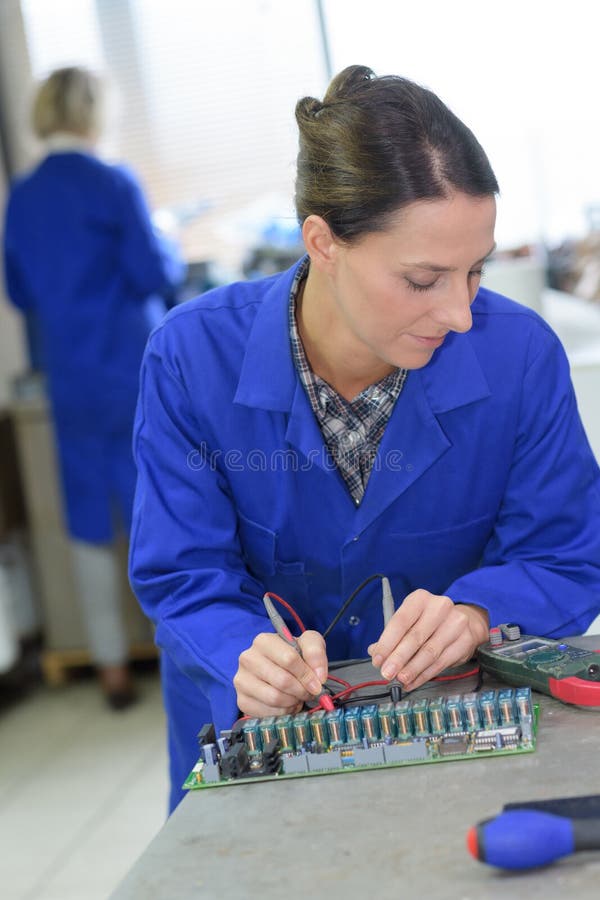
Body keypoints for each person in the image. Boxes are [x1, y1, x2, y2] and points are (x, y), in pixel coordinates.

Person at [129, 65, 600, 810]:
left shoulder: (521, 358)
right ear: (323, 241)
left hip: (456, 730)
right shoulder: (192, 358)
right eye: (423, 279)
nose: (461, 313)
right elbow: (184, 574)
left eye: (475, 271)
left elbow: (564, 554)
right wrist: (242, 654)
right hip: (258, 744)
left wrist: (477, 610)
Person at [3, 66, 185, 708]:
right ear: (92, 112)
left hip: (69, 378)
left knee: (87, 518)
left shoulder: (22, 196)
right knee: (158, 511)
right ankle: (180, 658)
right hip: (131, 370)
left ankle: (110, 666)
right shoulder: (111, 183)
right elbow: (152, 271)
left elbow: (19, 289)